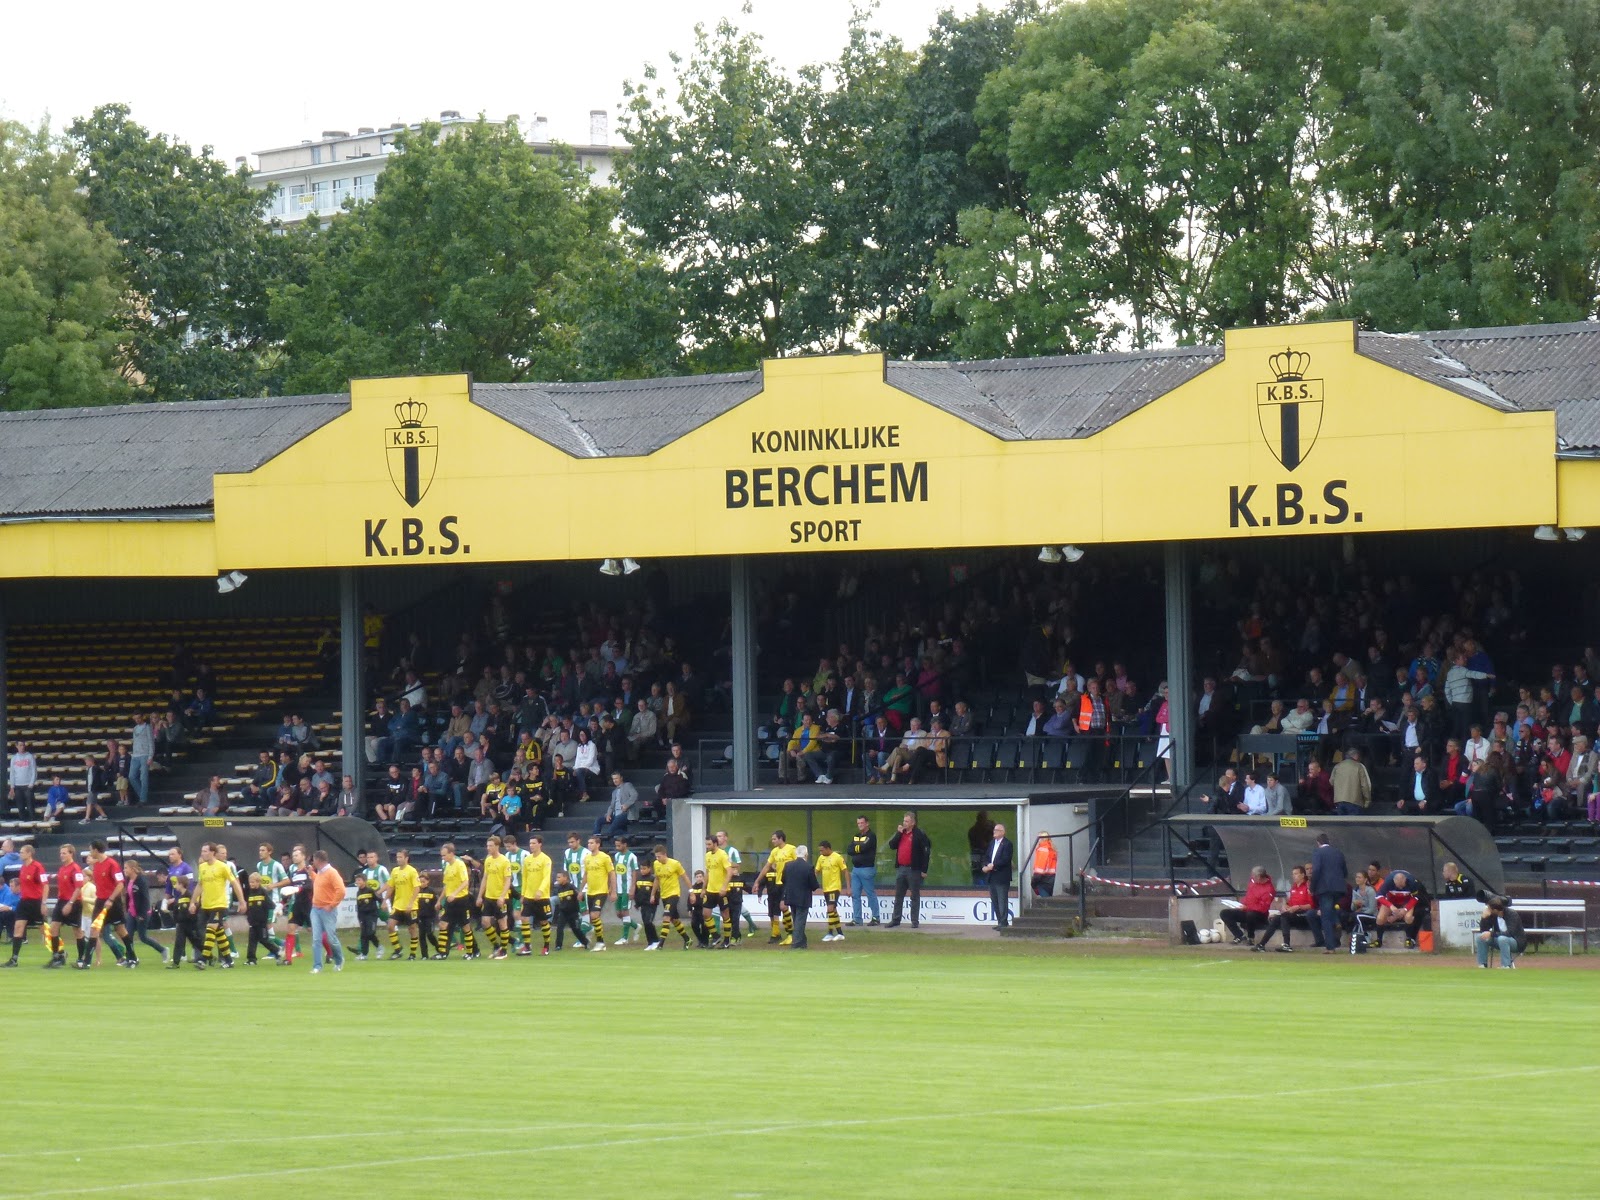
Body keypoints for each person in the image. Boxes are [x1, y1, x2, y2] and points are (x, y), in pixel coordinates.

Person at [193, 843, 245, 968]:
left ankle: (203, 959)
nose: (202, 853)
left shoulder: (223, 867)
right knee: (219, 933)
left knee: (211, 928)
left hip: (219, 904)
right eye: (202, 851)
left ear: (212, 852)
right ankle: (228, 960)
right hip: (206, 905)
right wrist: (193, 901)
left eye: (205, 851)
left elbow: (235, 883)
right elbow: (200, 885)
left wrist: (242, 900)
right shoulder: (203, 867)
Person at [87, 840, 137, 967]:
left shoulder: (112, 864)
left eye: (90, 850)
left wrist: (111, 899)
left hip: (113, 901)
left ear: (96, 850)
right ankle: (86, 962)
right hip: (100, 901)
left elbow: (120, 884)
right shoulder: (96, 865)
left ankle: (133, 957)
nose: (89, 852)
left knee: (120, 929)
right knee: (94, 929)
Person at [2, 843, 49, 967]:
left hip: (35, 902)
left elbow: (45, 885)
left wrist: (43, 903)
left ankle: (59, 952)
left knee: (44, 930)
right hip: (24, 902)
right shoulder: (23, 867)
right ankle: (14, 959)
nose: (20, 853)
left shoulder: (38, 867)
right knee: (18, 927)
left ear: (29, 853)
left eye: (22, 852)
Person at [1253, 866, 1320, 952]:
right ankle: (1262, 944)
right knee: (1276, 918)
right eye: (1293, 874)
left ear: (1303, 875)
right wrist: (1286, 906)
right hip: (1293, 914)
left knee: (1284, 916)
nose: (1293, 876)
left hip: (1304, 914)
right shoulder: (1294, 887)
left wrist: (1298, 907)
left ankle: (1286, 944)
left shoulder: (1307, 886)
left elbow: (1312, 905)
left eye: (1296, 874)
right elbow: (1290, 903)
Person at [887, 811, 932, 929]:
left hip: (914, 869)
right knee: (898, 895)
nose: (904, 823)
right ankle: (896, 919)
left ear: (913, 823)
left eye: (907, 821)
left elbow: (926, 851)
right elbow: (892, 845)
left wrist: (924, 869)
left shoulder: (919, 834)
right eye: (904, 821)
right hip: (901, 868)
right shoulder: (901, 833)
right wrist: (898, 833)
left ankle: (914, 921)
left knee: (914, 896)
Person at [1310, 832, 1349, 954]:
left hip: (1325, 888)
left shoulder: (1318, 853)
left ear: (1318, 843)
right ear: (1328, 841)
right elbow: (1344, 871)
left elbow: (1316, 870)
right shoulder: (1338, 852)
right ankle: (1337, 922)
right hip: (1339, 888)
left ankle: (1330, 947)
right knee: (1332, 910)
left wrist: (1313, 887)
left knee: (1325, 916)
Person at [648, 844, 693, 950]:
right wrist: (653, 894)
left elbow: (684, 877)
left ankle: (660, 945)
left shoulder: (675, 864)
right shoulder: (656, 864)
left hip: (674, 894)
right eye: (656, 857)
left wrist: (691, 891)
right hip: (664, 895)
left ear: (665, 855)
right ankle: (687, 939)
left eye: (659, 856)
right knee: (674, 920)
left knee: (666, 917)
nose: (657, 859)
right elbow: (657, 879)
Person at [307, 850, 345, 974]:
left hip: (327, 910)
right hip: (316, 908)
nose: (313, 862)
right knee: (316, 938)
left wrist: (332, 905)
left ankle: (339, 960)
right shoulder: (320, 873)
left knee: (331, 938)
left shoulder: (332, 873)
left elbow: (341, 891)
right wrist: (311, 874)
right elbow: (318, 882)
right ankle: (317, 965)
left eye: (314, 860)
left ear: (318, 860)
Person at [477, 835, 515, 959]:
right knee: (485, 922)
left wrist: (502, 896)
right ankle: (496, 946)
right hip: (489, 896)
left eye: (491, 846)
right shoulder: (488, 860)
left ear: (497, 846)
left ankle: (504, 951)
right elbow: (485, 878)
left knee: (502, 923)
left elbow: (507, 880)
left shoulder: (504, 861)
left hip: (500, 897)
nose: (488, 848)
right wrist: (479, 896)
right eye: (487, 846)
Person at [517, 835, 554, 956]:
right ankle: (527, 947)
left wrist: (540, 890)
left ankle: (546, 946)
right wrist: (523, 894)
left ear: (540, 844)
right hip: (529, 895)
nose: (531, 845)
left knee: (543, 921)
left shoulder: (546, 859)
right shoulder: (527, 860)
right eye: (530, 843)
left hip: (542, 896)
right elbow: (525, 878)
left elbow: (546, 877)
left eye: (534, 843)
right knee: (524, 919)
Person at [122, 860, 166, 962]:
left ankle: (162, 950)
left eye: (126, 868)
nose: (124, 870)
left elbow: (145, 899)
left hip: (141, 913)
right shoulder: (128, 880)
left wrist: (142, 914)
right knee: (128, 936)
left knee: (143, 937)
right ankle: (131, 958)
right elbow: (128, 896)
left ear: (132, 869)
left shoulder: (141, 881)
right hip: (131, 912)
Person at [717, 829, 756, 940]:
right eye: (717, 836)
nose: (718, 838)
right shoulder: (715, 851)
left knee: (735, 911)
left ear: (725, 838)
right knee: (723, 912)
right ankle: (724, 935)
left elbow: (737, 865)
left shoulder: (732, 850)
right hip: (720, 884)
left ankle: (736, 935)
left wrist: (725, 865)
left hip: (732, 885)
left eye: (720, 836)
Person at [384, 849, 423, 960]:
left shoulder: (412, 871)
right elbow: (391, 886)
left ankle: (412, 954)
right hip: (398, 905)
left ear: (406, 858)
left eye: (400, 857)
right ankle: (398, 950)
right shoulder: (395, 871)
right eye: (397, 857)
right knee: (390, 926)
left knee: (412, 928)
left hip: (411, 906)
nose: (398, 859)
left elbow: (417, 887)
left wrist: (411, 903)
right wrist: (385, 899)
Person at [1220, 867, 1276, 944]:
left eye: (1254, 876)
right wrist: (1242, 904)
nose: (1252, 877)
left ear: (1259, 877)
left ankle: (1251, 937)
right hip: (1246, 909)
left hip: (1259, 915)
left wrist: (1248, 908)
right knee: (1225, 913)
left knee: (1251, 914)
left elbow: (1263, 908)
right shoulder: (1253, 881)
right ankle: (1239, 935)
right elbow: (1249, 895)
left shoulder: (1269, 889)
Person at [761, 829, 798, 944]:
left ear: (781, 838)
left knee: (784, 907)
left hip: (788, 883)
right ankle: (780, 934)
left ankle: (791, 933)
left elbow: (798, 864)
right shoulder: (774, 851)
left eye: (774, 839)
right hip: (778, 883)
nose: (772, 841)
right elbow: (767, 866)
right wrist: (757, 881)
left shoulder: (791, 849)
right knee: (777, 909)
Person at [781, 844, 820, 949]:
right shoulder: (808, 867)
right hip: (803, 898)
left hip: (790, 896)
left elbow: (782, 879)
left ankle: (802, 942)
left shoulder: (788, 865)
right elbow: (814, 885)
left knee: (796, 919)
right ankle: (796, 943)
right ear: (806, 854)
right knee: (800, 921)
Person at [1373, 868, 1424, 949]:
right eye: (1398, 885)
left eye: (1402, 885)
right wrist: (1391, 906)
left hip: (1406, 902)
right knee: (1380, 918)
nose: (1400, 887)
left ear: (1405, 880)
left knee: (1408, 917)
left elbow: (1415, 898)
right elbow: (1379, 896)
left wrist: (1405, 909)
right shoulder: (1387, 882)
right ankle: (1379, 940)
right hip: (1391, 901)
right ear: (1394, 881)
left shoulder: (1412, 882)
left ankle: (1409, 939)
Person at [581, 835, 615, 952]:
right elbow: (586, 875)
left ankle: (600, 942)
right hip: (590, 891)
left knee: (594, 915)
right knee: (593, 918)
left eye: (592, 843)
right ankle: (594, 934)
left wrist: (613, 890)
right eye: (588, 843)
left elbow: (611, 874)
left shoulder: (605, 857)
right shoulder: (587, 858)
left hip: (601, 891)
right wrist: (581, 890)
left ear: (598, 844)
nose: (589, 845)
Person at [980, 821, 1014, 930]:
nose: (994, 832)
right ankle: (1000, 921)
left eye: (997, 830)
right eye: (994, 830)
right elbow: (986, 856)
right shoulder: (992, 843)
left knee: (1002, 900)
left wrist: (993, 866)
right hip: (991, 876)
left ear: (1003, 832)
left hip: (1001, 876)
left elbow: (1005, 859)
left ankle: (1004, 922)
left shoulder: (1007, 844)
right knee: (994, 900)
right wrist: (985, 866)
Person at [1476, 896, 1527, 968]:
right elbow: (1483, 930)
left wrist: (1491, 934)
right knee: (1480, 937)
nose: (1488, 910)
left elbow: (1510, 933)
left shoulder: (1512, 914)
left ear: (1496, 910)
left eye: (1489, 908)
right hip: (1500, 939)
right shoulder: (1493, 915)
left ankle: (1506, 965)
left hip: (1516, 942)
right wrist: (1484, 918)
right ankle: (1482, 964)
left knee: (1502, 939)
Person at [814, 840, 849, 942]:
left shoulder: (837, 857)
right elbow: (816, 872)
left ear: (828, 848)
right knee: (833, 910)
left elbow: (845, 871)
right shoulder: (821, 858)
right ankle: (840, 933)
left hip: (834, 887)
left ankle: (830, 933)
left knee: (829, 909)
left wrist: (848, 887)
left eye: (822, 850)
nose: (821, 852)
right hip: (826, 888)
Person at [703, 835, 733, 948]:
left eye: (709, 844)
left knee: (725, 914)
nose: (707, 846)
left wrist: (724, 887)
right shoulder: (707, 855)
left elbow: (729, 871)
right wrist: (703, 888)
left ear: (715, 843)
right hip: (711, 890)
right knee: (706, 914)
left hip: (722, 890)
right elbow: (708, 872)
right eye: (706, 844)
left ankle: (726, 940)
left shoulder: (723, 854)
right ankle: (716, 936)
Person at [848, 816, 880, 925]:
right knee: (855, 895)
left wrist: (856, 848)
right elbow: (849, 849)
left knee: (870, 894)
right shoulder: (856, 836)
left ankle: (876, 918)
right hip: (856, 870)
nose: (860, 825)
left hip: (867, 869)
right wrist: (858, 847)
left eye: (862, 823)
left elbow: (865, 847)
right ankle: (857, 919)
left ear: (867, 823)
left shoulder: (871, 836)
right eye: (858, 823)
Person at [551, 871, 589, 950]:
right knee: (559, 928)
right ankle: (558, 946)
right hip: (563, 912)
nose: (557, 879)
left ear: (565, 878)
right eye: (557, 877)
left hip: (573, 912)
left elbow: (580, 896)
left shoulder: (571, 887)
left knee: (575, 929)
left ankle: (585, 942)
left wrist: (580, 897)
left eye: (559, 877)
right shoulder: (558, 888)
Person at [594, 771, 637, 839]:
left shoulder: (627, 785)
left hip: (626, 813)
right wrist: (608, 814)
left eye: (616, 778)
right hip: (615, 815)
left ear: (621, 778)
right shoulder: (614, 792)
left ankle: (629, 835)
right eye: (613, 779)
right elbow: (611, 806)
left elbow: (634, 795)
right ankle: (596, 838)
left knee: (610, 831)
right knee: (599, 820)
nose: (615, 780)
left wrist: (626, 805)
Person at [6, 741, 37, 821]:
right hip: (18, 786)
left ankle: (32, 823)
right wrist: (12, 787)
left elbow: (34, 771)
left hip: (27, 786)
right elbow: (12, 773)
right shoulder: (14, 758)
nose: (22, 747)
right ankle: (23, 823)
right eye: (20, 745)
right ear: (17, 746)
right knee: (20, 807)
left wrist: (31, 784)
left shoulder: (30, 756)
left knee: (30, 806)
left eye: (23, 745)